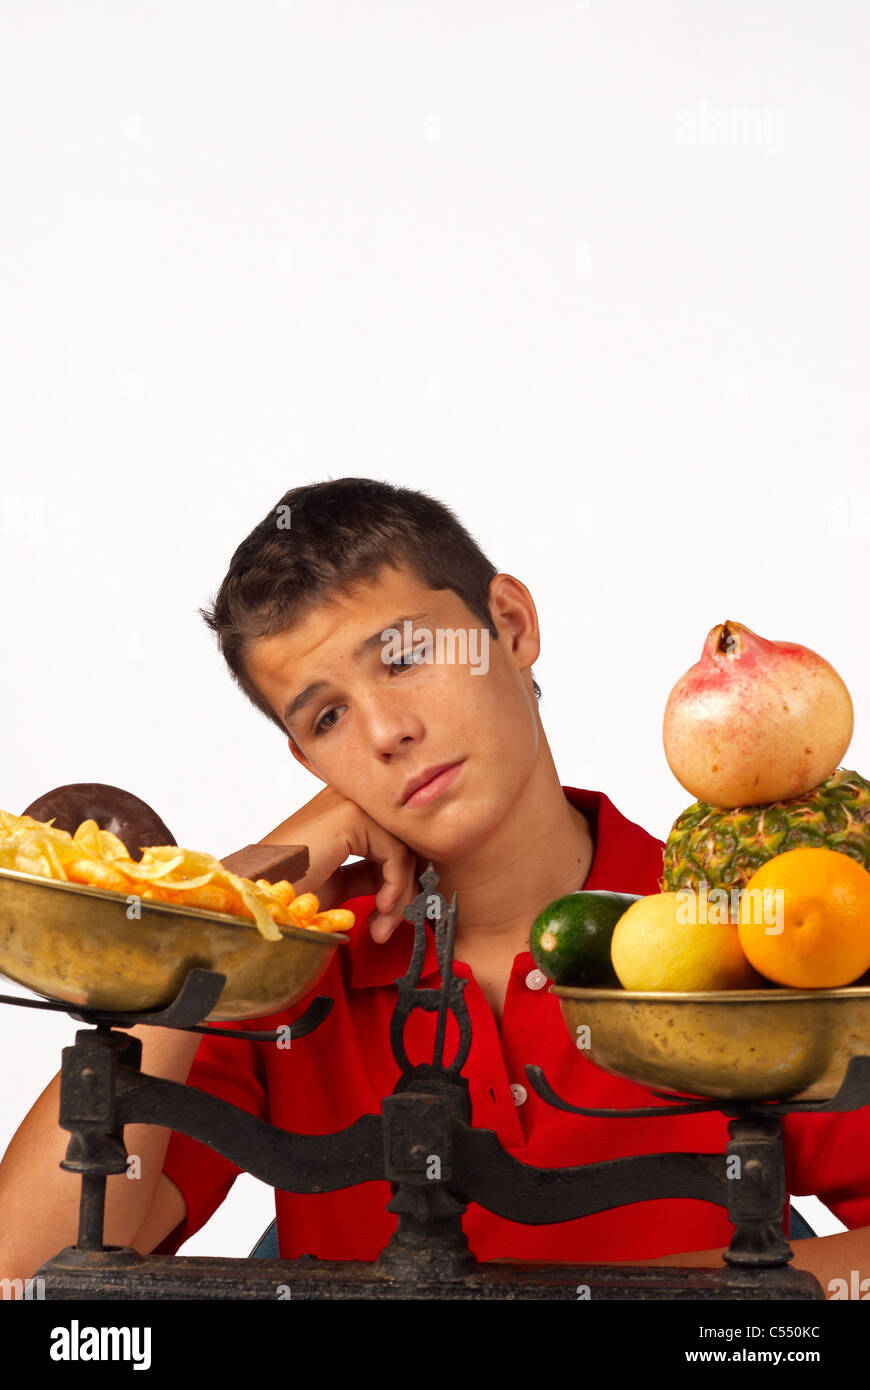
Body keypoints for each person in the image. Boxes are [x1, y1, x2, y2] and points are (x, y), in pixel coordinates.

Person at [2, 478, 869, 1293]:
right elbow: (26, 1273)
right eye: (328, 716)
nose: (386, 731)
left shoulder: (737, 928)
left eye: (407, 656)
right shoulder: (280, 968)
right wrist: (214, 916)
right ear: (308, 762)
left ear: (511, 624)